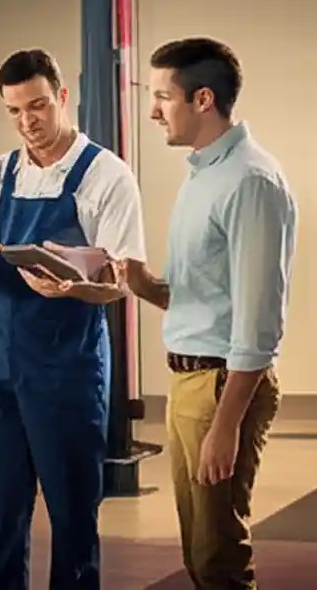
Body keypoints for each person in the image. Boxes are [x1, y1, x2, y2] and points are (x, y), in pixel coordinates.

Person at [0, 49, 146, 589]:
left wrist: (73, 285)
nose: (26, 121)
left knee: (73, 521)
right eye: (13, 111)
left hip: (66, 372)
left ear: (61, 96)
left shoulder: (104, 176)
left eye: (36, 106)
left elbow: (122, 280)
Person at [122, 37, 295, 589]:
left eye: (161, 97)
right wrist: (137, 281)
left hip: (222, 385)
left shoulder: (250, 181)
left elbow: (257, 322)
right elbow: (201, 295)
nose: (153, 110)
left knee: (219, 553)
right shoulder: (204, 174)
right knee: (198, 550)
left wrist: (227, 426)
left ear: (202, 99)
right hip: (190, 380)